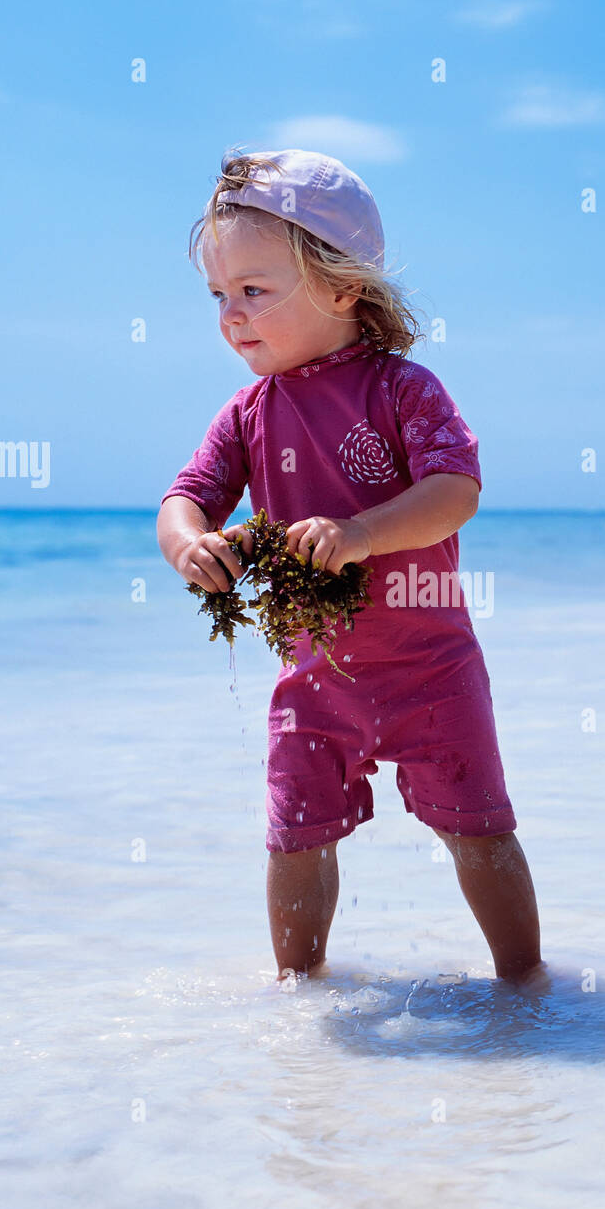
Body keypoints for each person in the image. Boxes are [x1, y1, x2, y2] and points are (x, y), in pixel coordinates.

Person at [157, 148, 543, 986]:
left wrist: (363, 533)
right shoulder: (249, 412)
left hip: (432, 667)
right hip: (314, 674)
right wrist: (191, 545)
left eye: (254, 291)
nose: (230, 314)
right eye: (218, 296)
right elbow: (186, 497)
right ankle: (301, 1002)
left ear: (342, 287)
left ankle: (527, 986)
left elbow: (455, 489)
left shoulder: (404, 390)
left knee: (477, 826)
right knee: (294, 832)